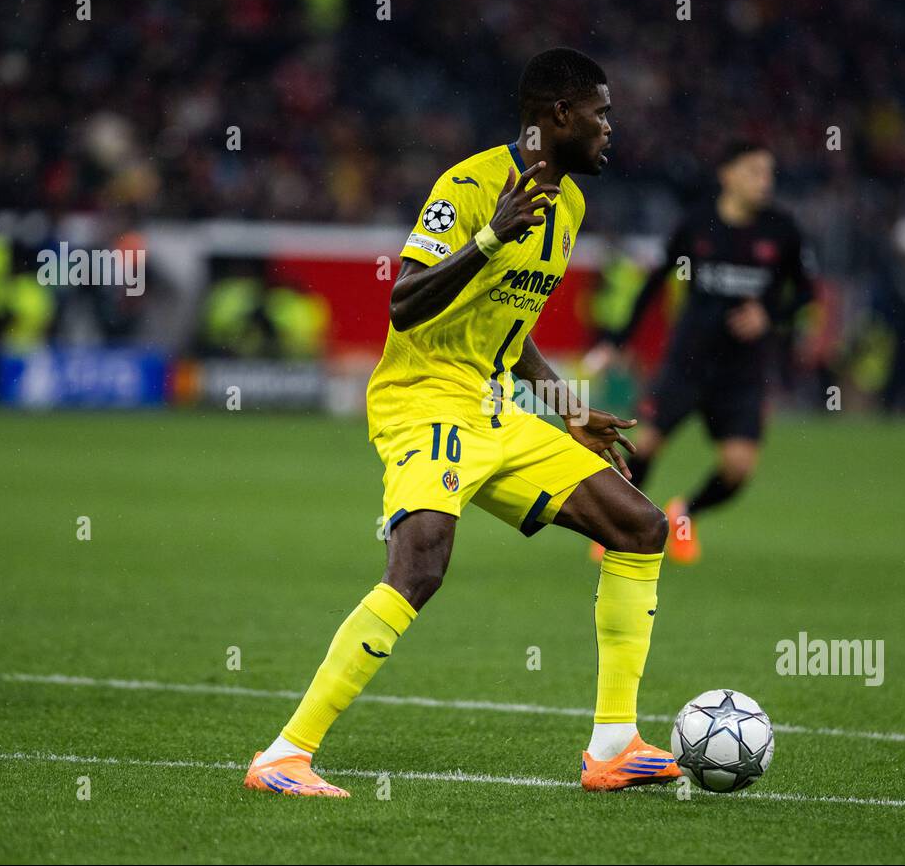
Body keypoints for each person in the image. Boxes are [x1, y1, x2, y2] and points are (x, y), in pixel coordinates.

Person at [244, 48, 680, 797]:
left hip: (494, 405)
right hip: (424, 397)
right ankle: (284, 756)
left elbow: (512, 329)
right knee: (420, 567)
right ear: (560, 116)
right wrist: (490, 238)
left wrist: (570, 411)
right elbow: (404, 303)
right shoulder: (471, 186)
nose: (611, 128)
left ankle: (614, 745)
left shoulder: (570, 206)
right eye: (601, 114)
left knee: (640, 526)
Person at [584, 141, 813, 563]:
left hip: (742, 371)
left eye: (769, 173)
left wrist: (769, 314)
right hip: (687, 363)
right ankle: (620, 525)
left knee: (738, 467)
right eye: (754, 171)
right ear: (728, 174)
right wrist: (619, 340)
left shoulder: (782, 231)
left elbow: (804, 292)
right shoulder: (697, 224)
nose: (765, 181)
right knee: (644, 445)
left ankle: (685, 514)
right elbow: (656, 281)